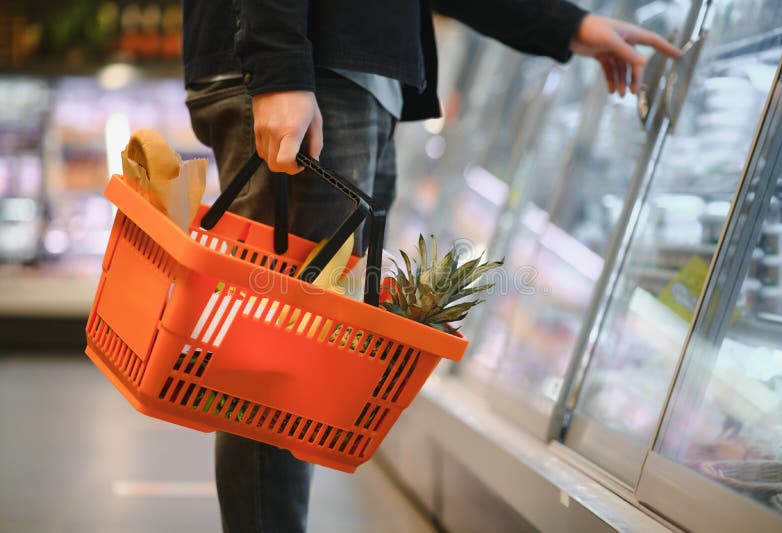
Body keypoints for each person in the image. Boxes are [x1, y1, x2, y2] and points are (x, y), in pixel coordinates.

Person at [182, 2, 681, 531]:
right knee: (274, 363)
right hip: (312, 64)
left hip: (351, 74)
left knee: (288, 363)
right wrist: (277, 63)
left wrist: (564, 25)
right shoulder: (292, 64)